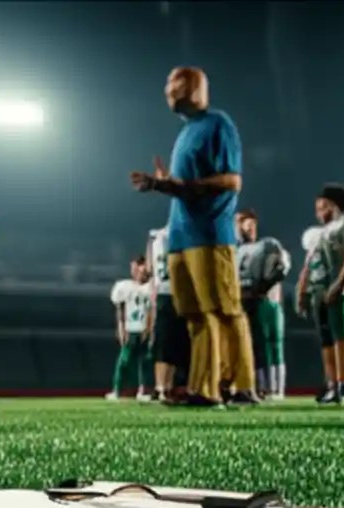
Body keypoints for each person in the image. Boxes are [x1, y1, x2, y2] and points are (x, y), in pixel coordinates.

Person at [131, 66, 257, 407]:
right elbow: (182, 187)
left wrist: (182, 186)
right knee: (196, 315)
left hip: (210, 233)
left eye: (177, 83)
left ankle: (242, 385)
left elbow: (232, 181)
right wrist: (163, 185)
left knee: (224, 308)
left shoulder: (218, 124)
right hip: (181, 235)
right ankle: (205, 386)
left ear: (198, 86)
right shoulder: (185, 132)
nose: (169, 90)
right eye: (167, 84)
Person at [297, 184, 344, 405]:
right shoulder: (317, 233)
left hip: (337, 287)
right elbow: (309, 264)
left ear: (334, 206)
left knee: (340, 333)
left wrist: (339, 285)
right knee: (325, 338)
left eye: (323, 206)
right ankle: (331, 383)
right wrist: (302, 290)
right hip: (318, 288)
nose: (318, 211)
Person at [235, 209, 291, 400]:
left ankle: (275, 388)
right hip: (242, 300)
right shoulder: (235, 250)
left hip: (264, 300)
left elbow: (282, 267)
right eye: (243, 224)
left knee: (271, 344)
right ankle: (256, 386)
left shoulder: (267, 244)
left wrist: (264, 286)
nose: (247, 228)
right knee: (252, 346)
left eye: (250, 223)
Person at [146, 227, 190, 401]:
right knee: (168, 343)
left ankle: (164, 386)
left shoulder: (157, 236)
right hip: (173, 291)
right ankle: (163, 387)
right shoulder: (174, 234)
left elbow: (151, 268)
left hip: (168, 292)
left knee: (167, 342)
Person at [106, 257, 154, 402]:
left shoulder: (151, 286)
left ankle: (144, 390)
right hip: (131, 327)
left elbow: (153, 309)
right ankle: (117, 389)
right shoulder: (125, 286)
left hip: (146, 328)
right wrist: (121, 328)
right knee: (124, 360)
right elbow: (120, 309)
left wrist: (150, 328)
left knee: (146, 360)